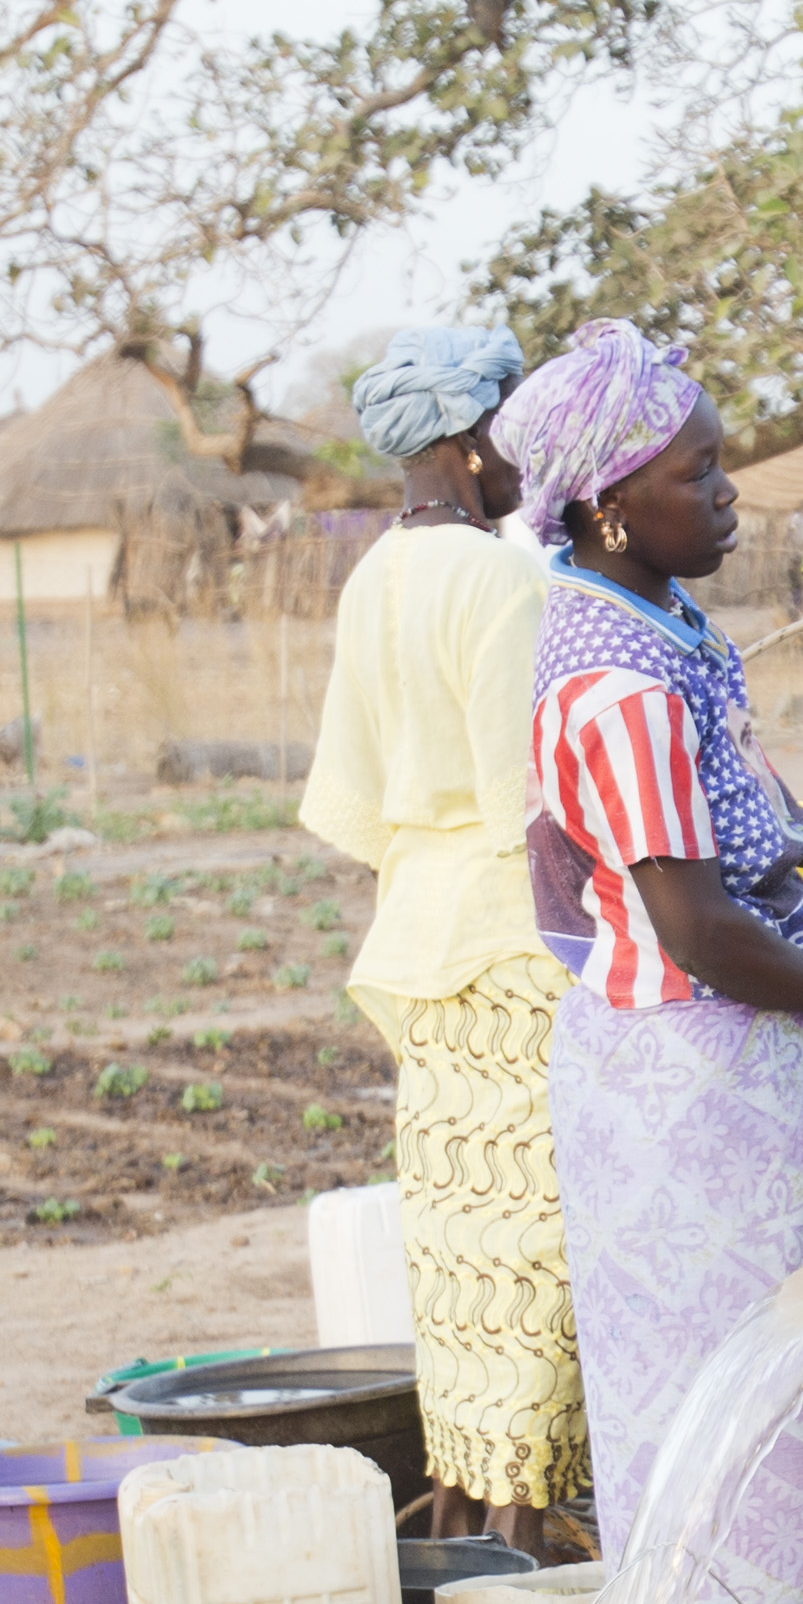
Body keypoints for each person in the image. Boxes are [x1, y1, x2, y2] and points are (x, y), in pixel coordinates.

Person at [512, 324, 803, 1604]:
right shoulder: (619, 680)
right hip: (685, 1088)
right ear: (604, 501)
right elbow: (698, 924)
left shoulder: (661, 624)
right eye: (699, 472)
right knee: (737, 1416)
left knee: (789, 1400)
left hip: (726, 1068)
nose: (729, 495)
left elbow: (749, 825)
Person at [305, 321, 587, 1539]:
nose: (529, 463)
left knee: (462, 1261)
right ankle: (523, 1551)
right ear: (473, 446)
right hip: (507, 949)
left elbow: (354, 800)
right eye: (513, 437)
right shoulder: (500, 578)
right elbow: (526, 802)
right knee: (537, 1261)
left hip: (416, 946)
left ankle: (466, 1527)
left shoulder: (375, 575)